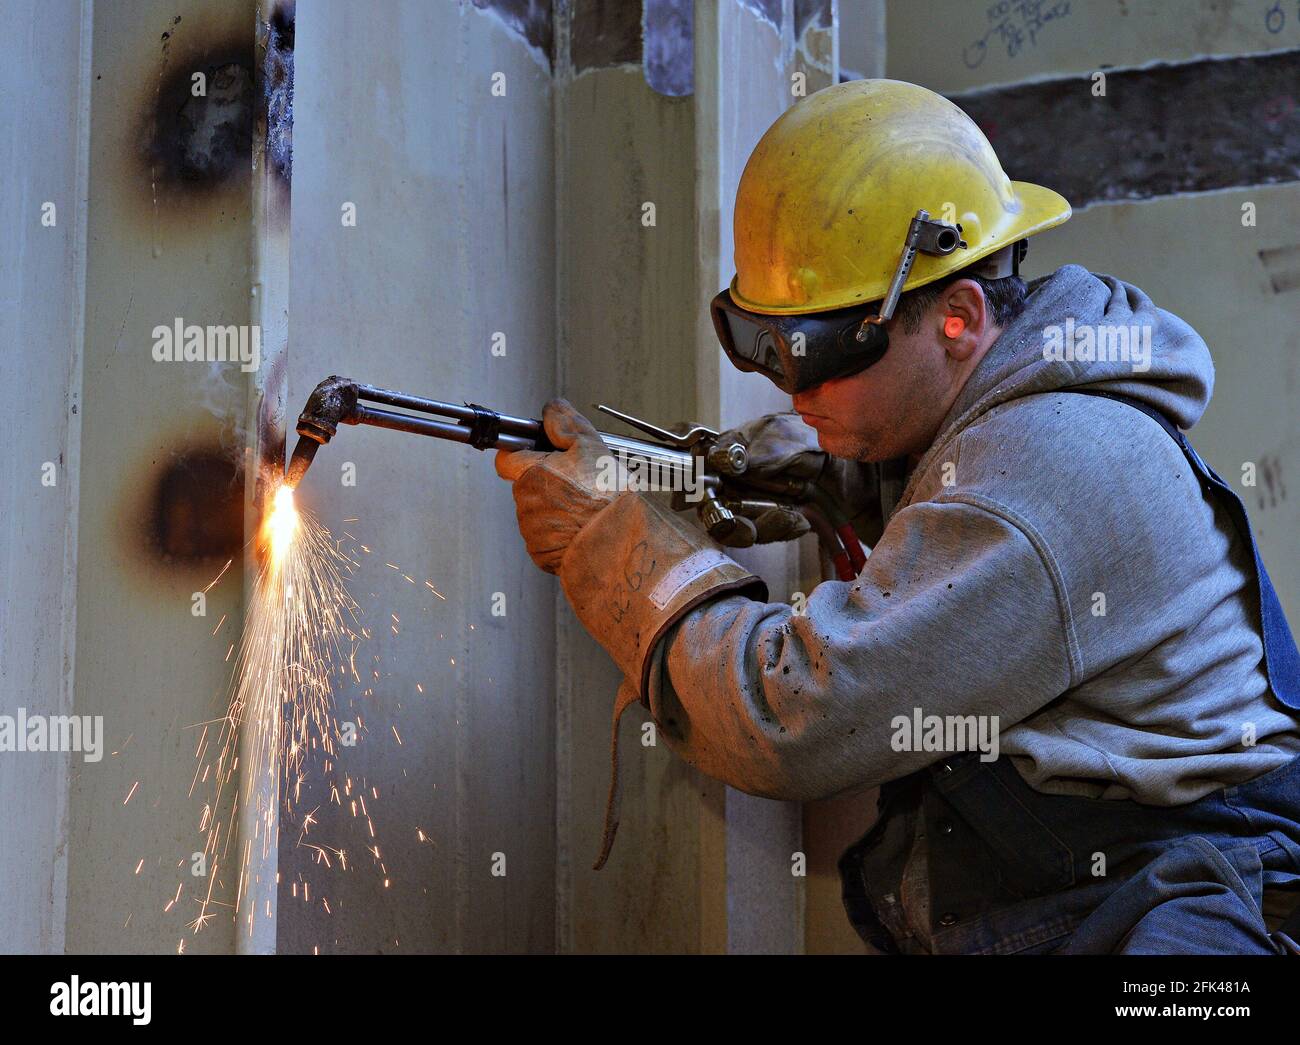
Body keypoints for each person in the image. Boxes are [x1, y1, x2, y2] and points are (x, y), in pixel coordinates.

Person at [495, 79, 1300, 954]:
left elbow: (795, 714)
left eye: (823, 355)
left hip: (1176, 923)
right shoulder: (1002, 402)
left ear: (958, 317)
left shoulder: (1046, 469)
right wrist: (717, 475)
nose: (795, 391)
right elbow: (895, 474)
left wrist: (612, 547)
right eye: (767, 345)